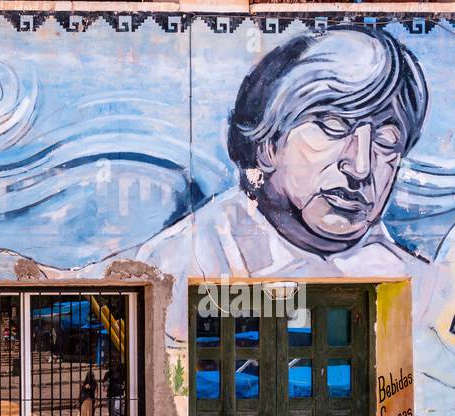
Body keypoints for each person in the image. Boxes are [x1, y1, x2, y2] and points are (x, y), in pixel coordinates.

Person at [121, 24, 431, 343]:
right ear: (269, 144)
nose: (360, 166)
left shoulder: (425, 291)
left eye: (387, 138)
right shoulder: (179, 263)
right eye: (334, 125)